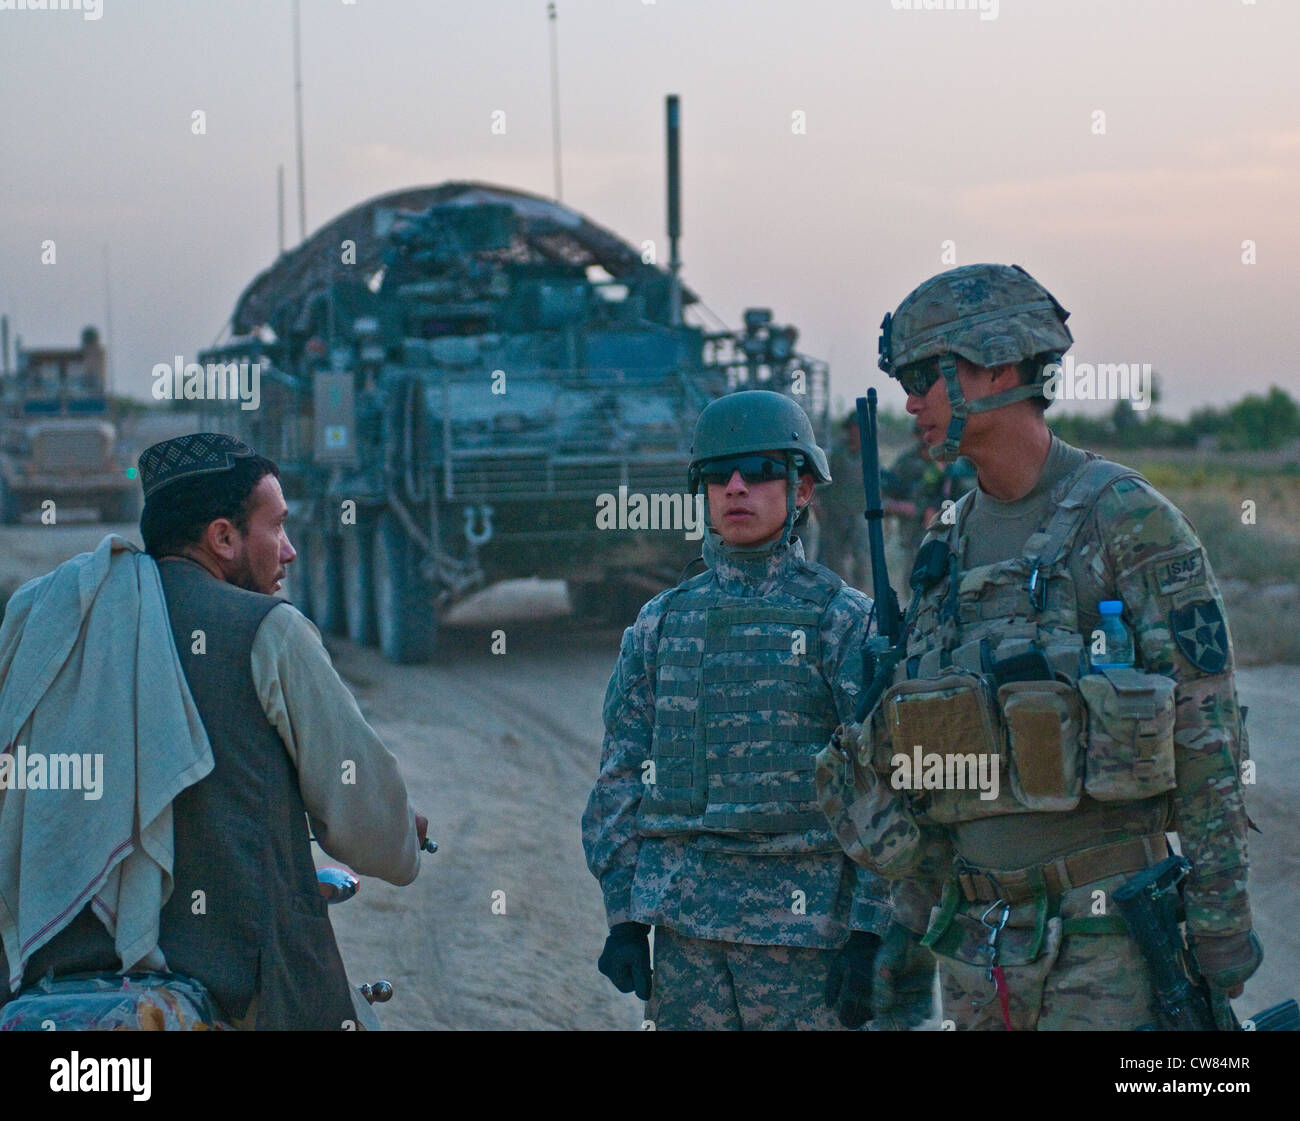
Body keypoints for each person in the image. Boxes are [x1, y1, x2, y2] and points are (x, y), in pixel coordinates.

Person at [816, 264, 1261, 1029]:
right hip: (980, 950)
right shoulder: (943, 545)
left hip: (1107, 942)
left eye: (926, 374)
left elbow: (1205, 734)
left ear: (999, 363)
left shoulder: (1125, 521)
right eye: (904, 381)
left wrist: (1219, 922)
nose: (912, 400)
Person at [0, 432, 426, 1030]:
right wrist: (401, 835)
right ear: (222, 537)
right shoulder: (271, 632)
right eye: (276, 528)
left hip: (46, 988)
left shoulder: (51, 618)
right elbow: (369, 824)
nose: (291, 551)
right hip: (247, 998)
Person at [581, 390, 919, 1031]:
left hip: (807, 944)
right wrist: (624, 917)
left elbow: (888, 784)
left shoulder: (842, 622)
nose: (736, 487)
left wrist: (871, 933)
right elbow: (620, 775)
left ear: (802, 491)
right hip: (686, 943)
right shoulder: (660, 624)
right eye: (718, 474)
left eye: (761, 470)